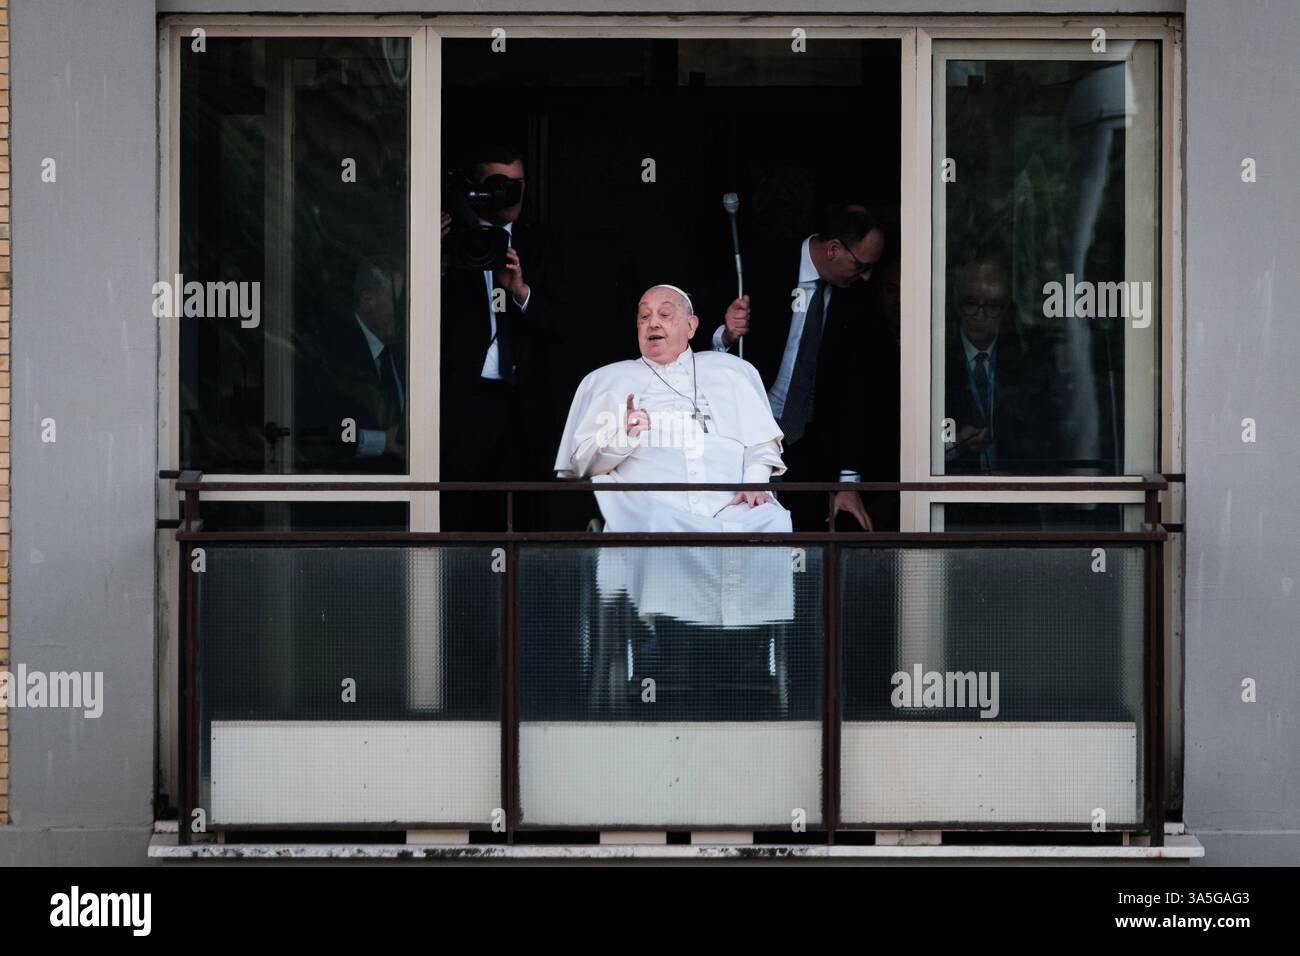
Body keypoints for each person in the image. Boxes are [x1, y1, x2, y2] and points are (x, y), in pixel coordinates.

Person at [555, 284, 793, 627]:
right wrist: (623, 434)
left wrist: (755, 481)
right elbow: (578, 463)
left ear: (692, 326)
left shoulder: (729, 371)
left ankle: (752, 645)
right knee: (658, 526)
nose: (653, 323)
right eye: (644, 316)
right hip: (655, 508)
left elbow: (761, 442)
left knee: (772, 520)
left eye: (665, 314)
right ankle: (665, 638)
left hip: (731, 505)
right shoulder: (607, 380)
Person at [711, 203, 886, 531]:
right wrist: (728, 335)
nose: (867, 276)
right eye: (862, 266)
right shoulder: (761, 264)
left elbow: (855, 389)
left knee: (802, 550)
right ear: (833, 249)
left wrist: (848, 482)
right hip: (741, 439)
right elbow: (698, 344)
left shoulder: (856, 297)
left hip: (808, 449)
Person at [439, 143, 566, 530]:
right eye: (499, 184)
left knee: (527, 515)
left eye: (518, 184)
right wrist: (433, 260)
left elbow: (563, 324)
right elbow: (412, 321)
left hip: (524, 400)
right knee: (464, 515)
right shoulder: (450, 238)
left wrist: (520, 291)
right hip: (465, 399)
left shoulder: (541, 242)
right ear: (478, 189)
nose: (510, 194)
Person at [943, 255, 1054, 475]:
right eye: (970, 303)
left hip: (1015, 494)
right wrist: (953, 442)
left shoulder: (1027, 365)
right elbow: (915, 441)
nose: (980, 315)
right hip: (951, 498)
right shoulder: (937, 362)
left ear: (1005, 310)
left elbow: (1046, 438)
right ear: (956, 302)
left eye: (992, 305)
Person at [297, 257, 407, 474]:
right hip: (349, 494)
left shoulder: (403, 352)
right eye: (399, 300)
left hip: (403, 499)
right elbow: (315, 432)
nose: (406, 309)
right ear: (368, 299)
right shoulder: (329, 351)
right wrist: (383, 442)